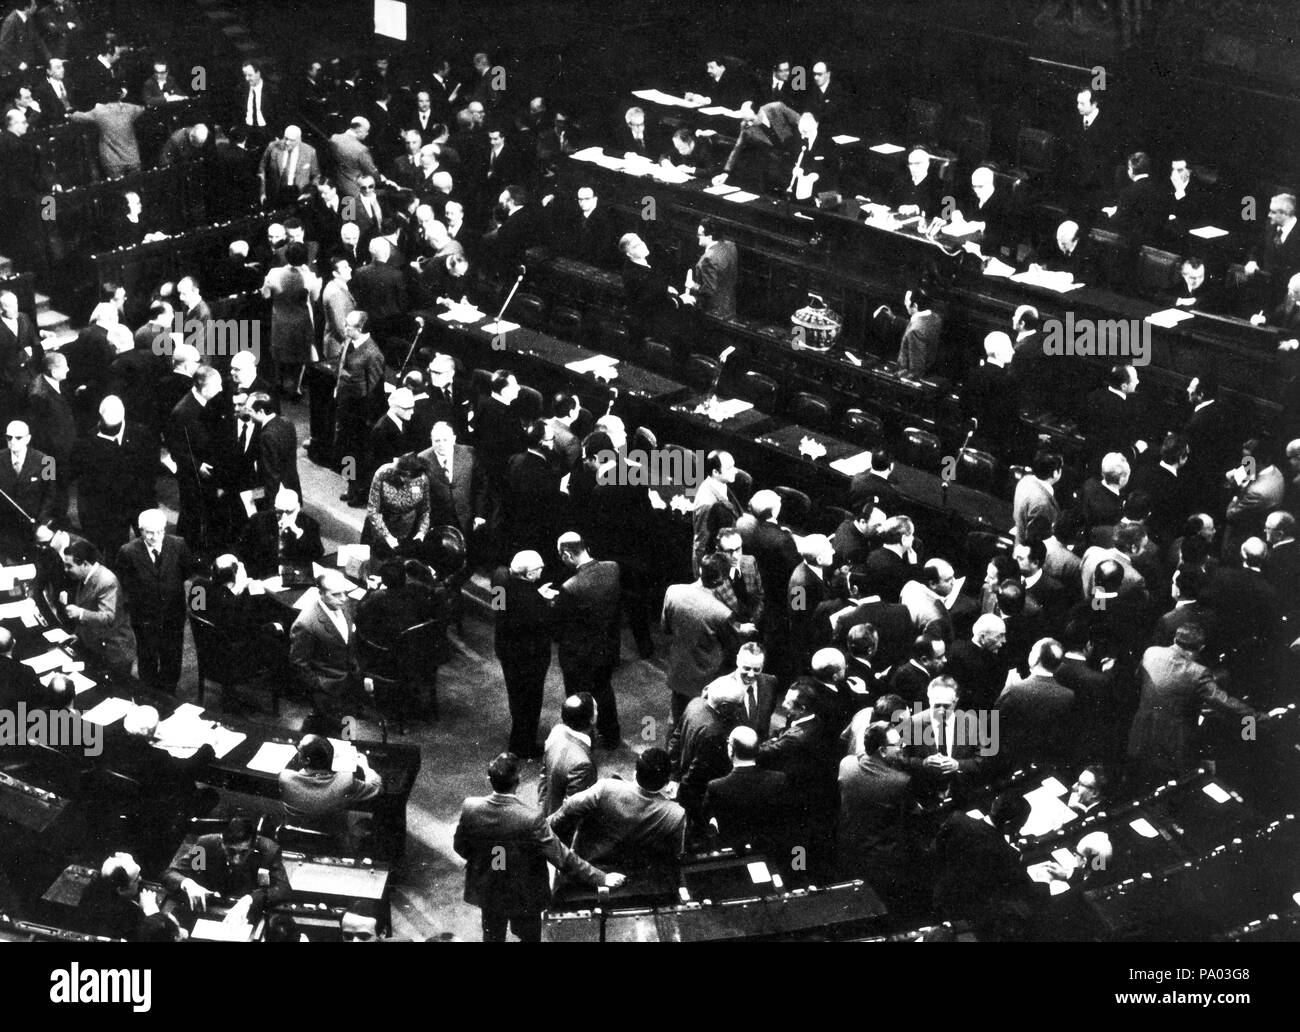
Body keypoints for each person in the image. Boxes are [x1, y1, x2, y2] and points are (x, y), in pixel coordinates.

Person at [453, 753, 624, 942]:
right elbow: (563, 858)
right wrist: (601, 877)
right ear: (517, 781)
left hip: (489, 889)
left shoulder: (470, 807)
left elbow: (460, 846)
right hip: (524, 894)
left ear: (489, 779)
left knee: (492, 935)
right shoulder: (531, 820)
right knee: (529, 937)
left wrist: (491, 863)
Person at [1126, 623, 1256, 784]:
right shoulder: (1197, 672)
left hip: (1139, 739)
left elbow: (1140, 680)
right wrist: (1261, 717)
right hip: (1172, 750)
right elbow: (1225, 703)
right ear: (1201, 648)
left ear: (1175, 639)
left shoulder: (1151, 652)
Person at [548, 748, 686, 868]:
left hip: (589, 866)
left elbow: (569, 808)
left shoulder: (606, 788)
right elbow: (676, 853)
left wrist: (545, 830)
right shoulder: (676, 814)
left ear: (635, 772)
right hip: (635, 874)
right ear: (666, 782)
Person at [115, 509, 198, 693]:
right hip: (145, 618)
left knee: (172, 657)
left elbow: (188, 572)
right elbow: (124, 584)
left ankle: (169, 694)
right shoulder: (128, 552)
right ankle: (150, 695)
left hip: (173, 615)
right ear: (140, 530)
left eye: (160, 531)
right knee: (147, 658)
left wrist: (171, 588)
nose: (155, 537)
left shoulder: (178, 544)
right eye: (150, 533)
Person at [552, 532, 622, 748]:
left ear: (567, 554)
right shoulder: (613, 568)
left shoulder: (570, 587)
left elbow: (558, 627)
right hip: (606, 647)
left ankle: (583, 740)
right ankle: (611, 736)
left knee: (579, 700)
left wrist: (551, 604)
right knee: (604, 690)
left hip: (578, 656)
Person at [289, 570, 373, 735]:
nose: (344, 598)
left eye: (344, 592)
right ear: (320, 593)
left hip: (349, 682)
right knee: (333, 732)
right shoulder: (306, 624)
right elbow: (298, 663)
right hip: (327, 689)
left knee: (347, 727)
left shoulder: (343, 604)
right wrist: (319, 687)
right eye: (336, 594)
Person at [162, 817, 290, 923]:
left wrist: (250, 899)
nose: (236, 860)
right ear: (222, 842)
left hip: (247, 915)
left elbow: (283, 888)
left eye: (244, 853)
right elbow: (170, 873)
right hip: (209, 910)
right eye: (231, 851)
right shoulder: (205, 846)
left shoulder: (267, 851)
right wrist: (188, 884)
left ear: (253, 845)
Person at [667, 676, 745, 832]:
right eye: (739, 705)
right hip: (697, 791)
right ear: (724, 706)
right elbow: (697, 770)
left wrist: (674, 777)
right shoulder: (715, 733)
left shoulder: (695, 703)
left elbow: (675, 739)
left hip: (684, 780)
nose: (741, 709)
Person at [704, 726, 793, 857]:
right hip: (769, 853)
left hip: (734, 856)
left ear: (731, 750)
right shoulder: (779, 779)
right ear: (757, 749)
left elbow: (709, 822)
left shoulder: (715, 787)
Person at [279, 734, 384, 843]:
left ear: (306, 761)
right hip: (332, 843)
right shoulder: (344, 781)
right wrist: (365, 767)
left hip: (293, 840)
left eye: (299, 751)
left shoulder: (285, 778)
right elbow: (376, 787)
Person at [61, 538, 135, 680]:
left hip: (115, 652)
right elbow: (87, 604)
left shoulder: (106, 581)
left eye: (69, 566)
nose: (66, 570)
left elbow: (108, 617)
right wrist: (78, 634)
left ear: (85, 564)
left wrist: (80, 613)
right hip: (97, 646)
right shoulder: (84, 577)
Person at [261, 241, 320, 398]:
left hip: (280, 320)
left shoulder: (274, 274)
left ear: (286, 256)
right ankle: (296, 388)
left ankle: (280, 383)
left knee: (279, 354)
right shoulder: (309, 277)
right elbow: (315, 297)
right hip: (302, 321)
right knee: (302, 355)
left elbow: (265, 295)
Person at [236, 486, 323, 577]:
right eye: (279, 512)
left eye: (289, 512)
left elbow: (317, 554)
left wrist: (298, 533)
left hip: (294, 575)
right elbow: (241, 548)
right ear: (275, 507)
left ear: (297, 508)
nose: (284, 516)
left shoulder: (310, 524)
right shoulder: (258, 520)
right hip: (264, 574)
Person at [538, 693, 597, 818]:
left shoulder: (556, 732)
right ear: (592, 719)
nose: (598, 712)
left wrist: (542, 811)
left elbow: (544, 777)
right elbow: (573, 810)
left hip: (549, 809)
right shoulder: (583, 764)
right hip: (560, 822)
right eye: (595, 709)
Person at [365, 452, 431, 560]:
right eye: (409, 479)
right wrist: (386, 536)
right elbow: (372, 510)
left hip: (406, 529)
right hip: (381, 525)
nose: (411, 482)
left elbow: (425, 510)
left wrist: (421, 532)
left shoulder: (422, 479)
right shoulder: (383, 474)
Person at [247, 391, 300, 498]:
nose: (248, 414)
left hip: (276, 495)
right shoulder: (287, 423)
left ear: (261, 411)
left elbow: (271, 476)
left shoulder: (266, 436)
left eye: (250, 411)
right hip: (291, 487)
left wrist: (256, 497)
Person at [683, 218, 738, 320]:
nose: (697, 237)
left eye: (699, 235)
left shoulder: (708, 259)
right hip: (729, 308)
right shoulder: (731, 246)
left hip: (714, 312)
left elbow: (710, 291)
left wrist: (692, 285)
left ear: (709, 237)